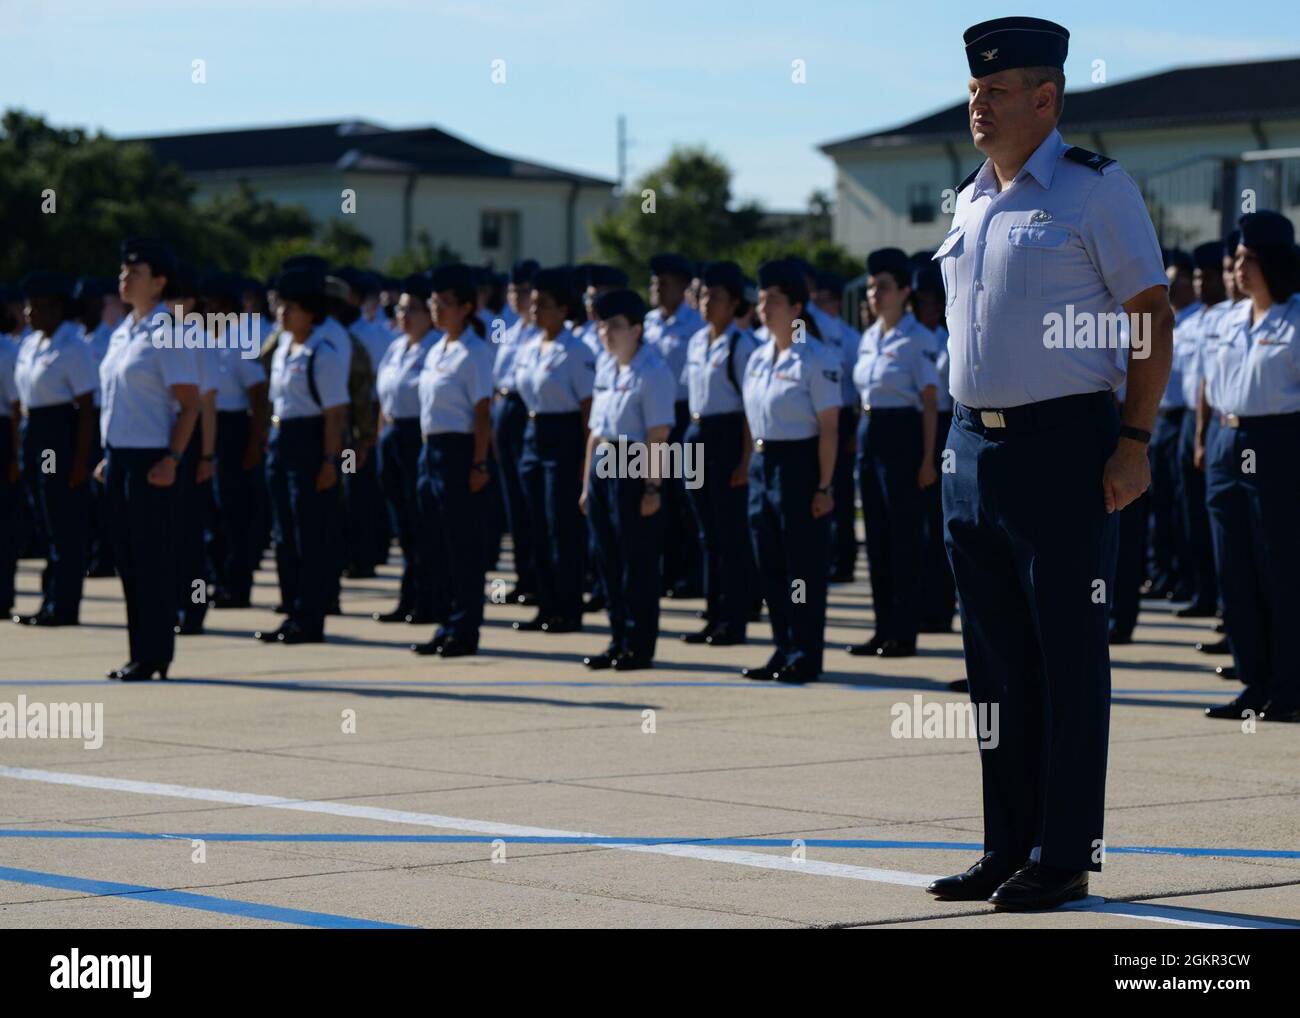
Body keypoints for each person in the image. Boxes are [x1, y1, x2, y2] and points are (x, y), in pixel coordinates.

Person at [925, 18, 1172, 910]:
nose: (977, 106)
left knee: (1068, 658)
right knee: (993, 666)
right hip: (973, 445)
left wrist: (1134, 442)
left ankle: (1064, 854)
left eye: (994, 92)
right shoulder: (969, 199)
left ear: (1046, 97)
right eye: (972, 92)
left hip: (1066, 444)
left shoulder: (1093, 191)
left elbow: (1149, 315)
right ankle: (1005, 847)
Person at [1201, 211, 1300, 723]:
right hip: (1227, 438)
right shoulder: (1224, 319)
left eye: (1249, 258)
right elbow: (1208, 389)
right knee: (1233, 570)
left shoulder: (1296, 318)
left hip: (1278, 442)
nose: (1239, 268)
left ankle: (1289, 687)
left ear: (1273, 263)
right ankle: (1253, 684)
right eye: (1237, 258)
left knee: (1279, 568)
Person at [97, 238, 202, 679]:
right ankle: (139, 650)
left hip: (151, 460)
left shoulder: (168, 331)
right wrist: (108, 453)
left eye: (135, 273)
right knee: (126, 558)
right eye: (123, 271)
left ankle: (155, 653)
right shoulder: (124, 331)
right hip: (119, 458)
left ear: (159, 283)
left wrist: (173, 458)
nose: (125, 278)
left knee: (152, 558)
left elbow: (189, 403)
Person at [739, 259, 841, 684]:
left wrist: (824, 485)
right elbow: (751, 419)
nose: (764, 307)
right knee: (771, 564)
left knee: (803, 566)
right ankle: (782, 647)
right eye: (761, 299)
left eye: (774, 300)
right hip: (764, 465)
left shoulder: (815, 358)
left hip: (800, 465)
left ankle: (806, 652)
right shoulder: (759, 356)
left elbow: (830, 428)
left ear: (797, 307)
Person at [845, 248, 939, 659]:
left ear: (904, 291)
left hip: (904, 433)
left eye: (883, 287)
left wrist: (927, 459)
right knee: (878, 540)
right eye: (870, 288)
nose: (874, 295)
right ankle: (881, 627)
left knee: (904, 540)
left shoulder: (917, 338)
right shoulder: (869, 337)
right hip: (871, 432)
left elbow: (930, 401)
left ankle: (904, 631)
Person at [581, 288, 676, 671]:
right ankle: (617, 637)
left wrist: (653, 487)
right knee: (607, 558)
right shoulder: (606, 367)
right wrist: (587, 484)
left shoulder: (653, 371)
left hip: (635, 461)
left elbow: (658, 435)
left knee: (636, 561)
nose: (607, 333)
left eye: (616, 326)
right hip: (605, 460)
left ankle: (639, 644)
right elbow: (594, 432)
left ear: (637, 329)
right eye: (603, 326)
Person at [256, 267, 348, 645]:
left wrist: (330, 461)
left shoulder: (321, 353)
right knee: (284, 533)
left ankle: (311, 617)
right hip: (283, 439)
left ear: (310, 311)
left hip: (310, 440)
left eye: (290, 307)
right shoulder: (283, 349)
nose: (282, 313)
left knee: (308, 533)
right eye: (280, 306)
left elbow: (335, 413)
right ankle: (291, 609)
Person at [410, 264, 494, 658]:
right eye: (433, 303)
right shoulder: (436, 349)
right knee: (437, 543)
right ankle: (445, 622)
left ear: (465, 307)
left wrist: (479, 463)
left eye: (444, 303)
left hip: (460, 451)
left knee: (463, 545)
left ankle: (465, 628)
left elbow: (482, 412)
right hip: (431, 450)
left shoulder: (474, 352)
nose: (436, 310)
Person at [511, 267, 596, 633]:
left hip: (564, 437)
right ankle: (546, 605)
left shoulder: (575, 350)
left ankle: (568, 607)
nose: (535, 311)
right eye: (533, 304)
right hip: (533, 432)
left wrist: (584, 461)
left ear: (563, 310)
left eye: (543, 305)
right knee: (536, 526)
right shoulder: (530, 346)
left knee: (563, 527)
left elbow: (588, 407)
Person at [11, 273, 98, 627]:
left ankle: (64, 604)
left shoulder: (72, 346)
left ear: (56, 308)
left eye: (37, 306)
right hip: (35, 431)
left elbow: (87, 409)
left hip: (58, 435)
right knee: (43, 519)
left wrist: (79, 461)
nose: (29, 313)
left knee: (61, 519)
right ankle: (49, 599)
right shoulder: (32, 344)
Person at [681, 261, 757, 646]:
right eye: (704, 295)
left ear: (734, 304)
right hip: (697, 435)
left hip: (728, 436)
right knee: (706, 533)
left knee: (730, 535)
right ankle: (713, 615)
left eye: (717, 297)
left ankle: (734, 619)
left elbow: (749, 408)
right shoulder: (697, 342)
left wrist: (745, 460)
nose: (707, 303)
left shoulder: (741, 345)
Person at [373, 273, 440, 625]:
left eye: (412, 309)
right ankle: (408, 596)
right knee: (402, 523)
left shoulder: (435, 348)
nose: (404, 316)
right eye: (400, 309)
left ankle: (427, 598)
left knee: (422, 522)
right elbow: (385, 398)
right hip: (394, 435)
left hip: (419, 437)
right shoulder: (397, 347)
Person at [203, 272, 268, 610]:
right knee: (212, 515)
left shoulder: (239, 340)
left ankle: (237, 585)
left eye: (215, 304)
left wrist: (255, 443)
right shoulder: (203, 338)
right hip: (208, 428)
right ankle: (218, 580)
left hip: (234, 429)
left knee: (234, 515)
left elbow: (258, 395)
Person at [642, 253, 704, 598]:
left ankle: (690, 575)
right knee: (655, 494)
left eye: (664, 282)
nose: (657, 288)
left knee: (687, 497)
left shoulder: (695, 324)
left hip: (683, 417)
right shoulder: (647, 323)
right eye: (654, 281)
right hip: (653, 421)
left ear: (682, 287)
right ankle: (664, 571)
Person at [168, 261, 218, 636]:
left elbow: (207, 403)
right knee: (167, 531)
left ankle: (195, 607)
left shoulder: (198, 338)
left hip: (192, 439)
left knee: (189, 533)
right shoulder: (159, 334)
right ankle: (172, 604)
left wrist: (206, 455)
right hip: (162, 435)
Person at [910, 260, 958, 632]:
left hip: (947, 427)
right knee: (920, 526)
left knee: (941, 523)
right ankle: (923, 601)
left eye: (927, 301)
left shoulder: (947, 337)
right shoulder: (916, 338)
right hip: (922, 428)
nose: (920, 309)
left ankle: (939, 607)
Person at [491, 259, 540, 607]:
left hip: (528, 409)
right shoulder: (508, 328)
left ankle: (540, 579)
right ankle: (523, 576)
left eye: (522, 291)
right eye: (511, 291)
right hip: (504, 407)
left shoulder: (543, 330)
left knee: (532, 501)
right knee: (513, 503)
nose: (516, 297)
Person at [812, 270, 862, 583]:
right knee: (831, 490)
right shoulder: (820, 328)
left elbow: (858, 387)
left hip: (840, 417)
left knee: (839, 492)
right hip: (825, 415)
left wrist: (854, 429)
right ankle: (836, 557)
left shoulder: (847, 336)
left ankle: (843, 560)